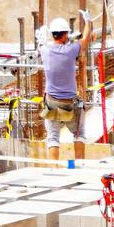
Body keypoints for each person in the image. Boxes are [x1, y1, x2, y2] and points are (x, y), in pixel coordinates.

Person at [41, 14, 92, 161]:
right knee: (79, 134)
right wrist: (88, 21)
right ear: (65, 35)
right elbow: (85, 39)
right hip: (70, 102)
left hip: (51, 101)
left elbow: (45, 45)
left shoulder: (45, 51)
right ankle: (79, 165)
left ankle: (54, 169)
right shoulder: (71, 50)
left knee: (53, 138)